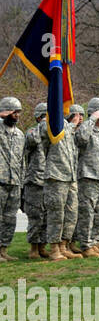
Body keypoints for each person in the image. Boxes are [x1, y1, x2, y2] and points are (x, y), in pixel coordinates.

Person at [72, 98, 99, 257]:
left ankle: (95, 242)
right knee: (87, 213)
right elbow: (80, 139)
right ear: (96, 112)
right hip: (89, 177)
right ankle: (85, 244)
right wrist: (91, 119)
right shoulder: (85, 128)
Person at [42, 103, 83, 260]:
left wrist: (73, 126)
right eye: (78, 115)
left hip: (71, 177)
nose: (80, 118)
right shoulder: (55, 127)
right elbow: (44, 133)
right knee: (56, 215)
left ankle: (63, 246)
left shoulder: (72, 132)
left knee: (71, 213)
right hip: (57, 177)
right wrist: (68, 123)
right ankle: (54, 248)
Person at [22, 105, 49, 259]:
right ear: (39, 118)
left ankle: (42, 246)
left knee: (47, 217)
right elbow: (31, 140)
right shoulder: (33, 131)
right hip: (35, 182)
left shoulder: (52, 135)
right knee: (36, 216)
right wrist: (43, 125)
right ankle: (33, 248)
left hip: (49, 181)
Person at [0, 97, 23, 262]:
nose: (17, 115)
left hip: (14, 182)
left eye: (18, 112)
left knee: (9, 219)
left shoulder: (20, 135)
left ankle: (3, 250)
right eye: (14, 112)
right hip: (0, 181)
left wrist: (21, 181)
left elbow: (22, 160)